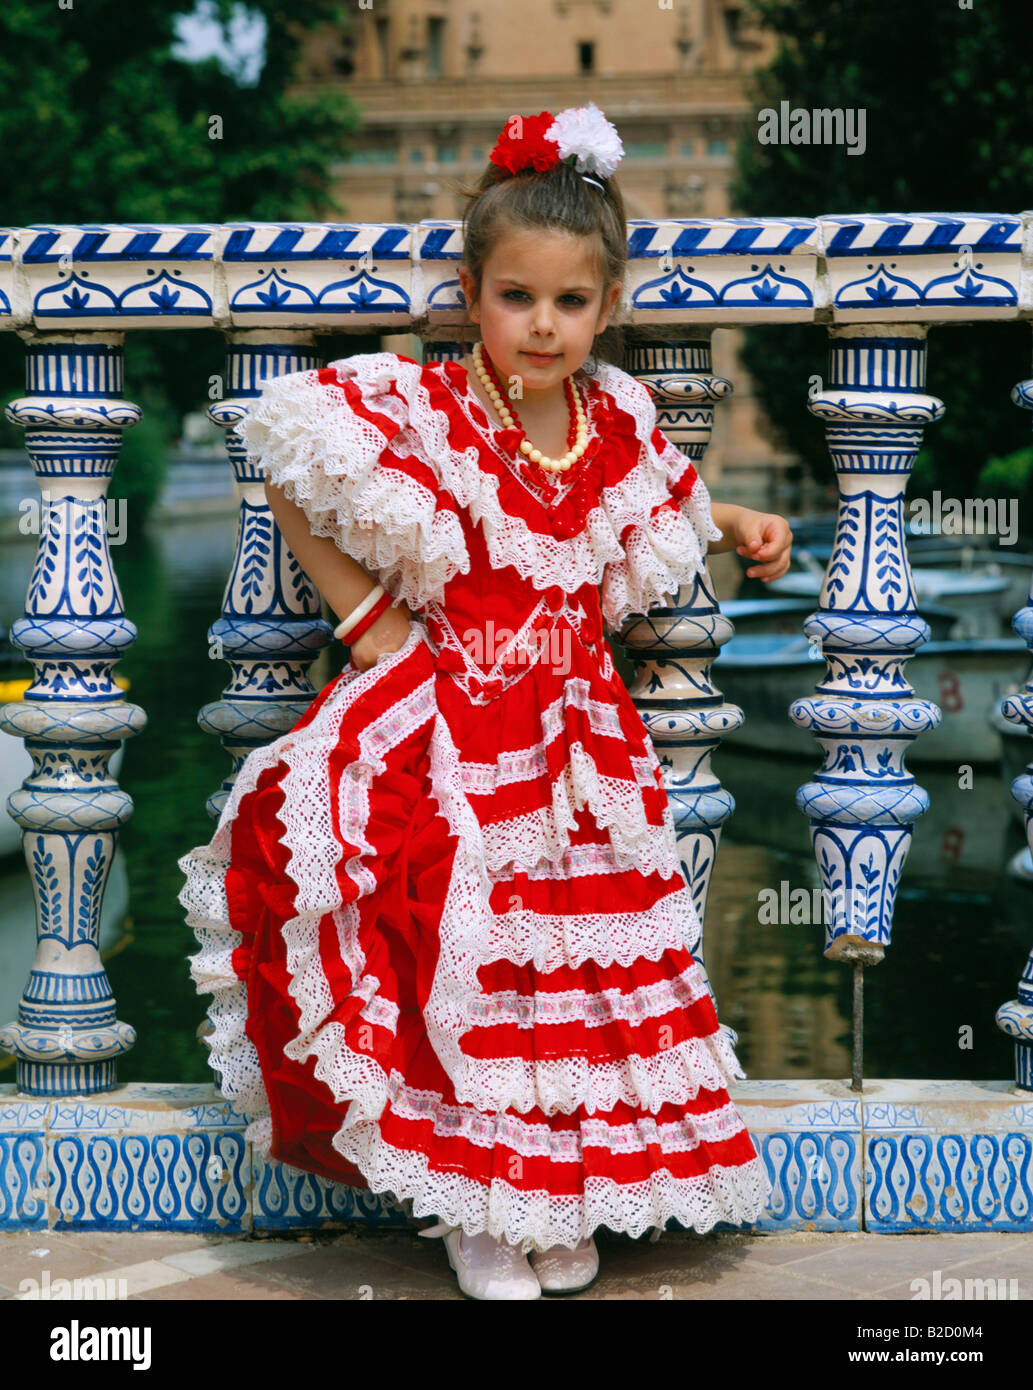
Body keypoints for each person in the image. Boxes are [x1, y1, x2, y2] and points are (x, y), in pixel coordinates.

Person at [178, 102, 792, 1301]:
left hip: (580, 740)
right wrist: (377, 628)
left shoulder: (616, 416)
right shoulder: (433, 408)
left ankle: (556, 1197)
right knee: (472, 961)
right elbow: (290, 459)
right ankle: (474, 1206)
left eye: (570, 302)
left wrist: (736, 522)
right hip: (454, 718)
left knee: (575, 978)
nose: (544, 325)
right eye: (517, 297)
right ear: (471, 291)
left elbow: (658, 502)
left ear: (607, 305)